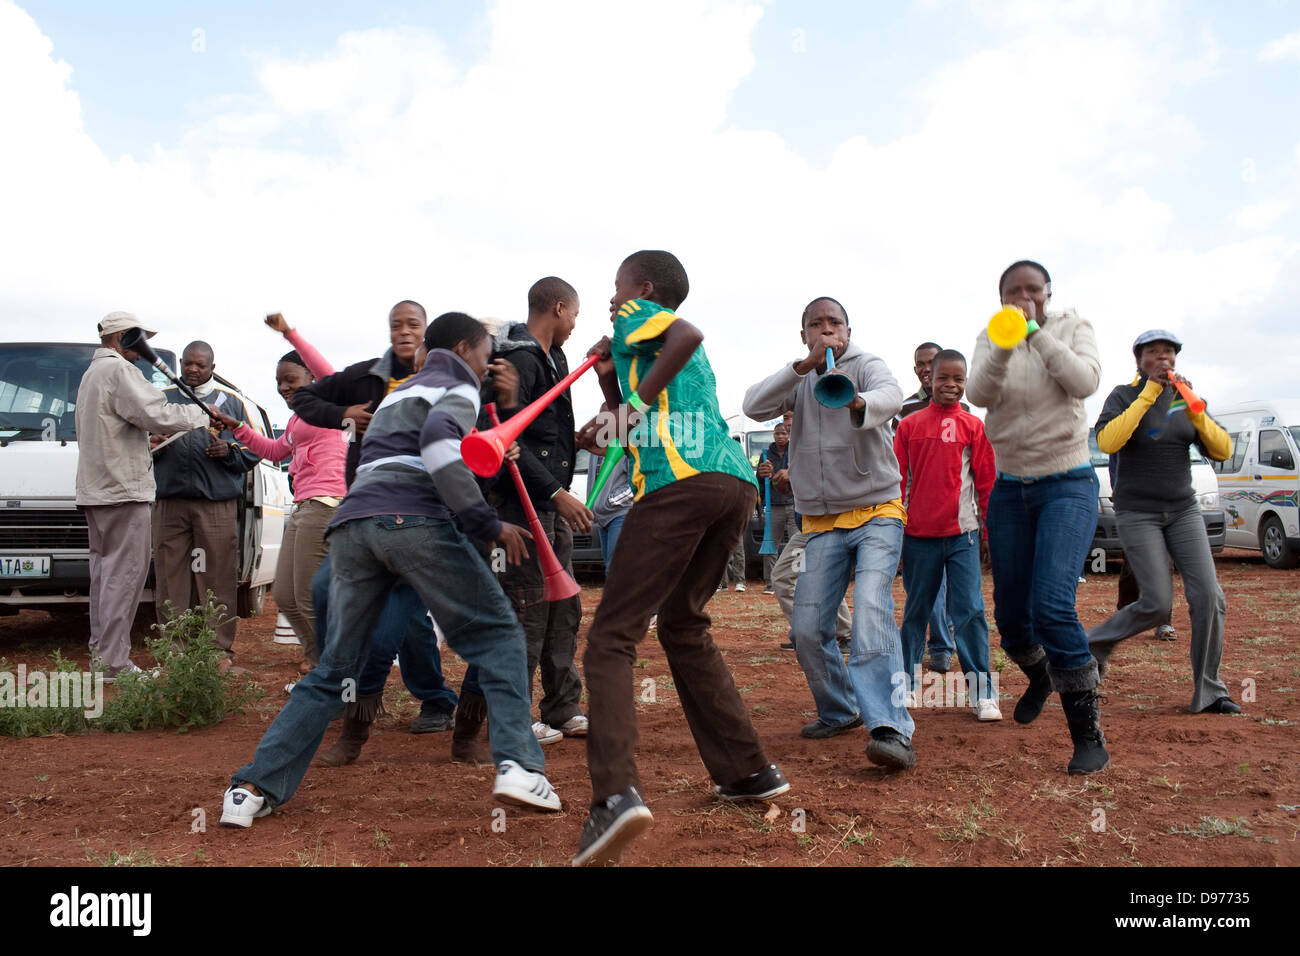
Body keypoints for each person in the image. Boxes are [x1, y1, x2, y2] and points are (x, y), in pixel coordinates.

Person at [220, 312, 562, 828]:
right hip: (413, 520)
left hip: (354, 529)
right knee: (499, 636)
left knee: (334, 671)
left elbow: (388, 461)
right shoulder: (457, 384)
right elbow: (440, 451)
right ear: (466, 349)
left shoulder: (399, 394)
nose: (490, 361)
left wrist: (498, 424)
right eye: (486, 350)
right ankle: (518, 766)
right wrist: (486, 523)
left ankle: (250, 790)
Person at [574, 250, 789, 867]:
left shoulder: (646, 317)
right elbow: (627, 421)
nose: (611, 299)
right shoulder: (646, 353)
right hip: (732, 485)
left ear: (642, 288)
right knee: (683, 626)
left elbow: (683, 338)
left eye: (615, 288)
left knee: (612, 635)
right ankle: (748, 771)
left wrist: (629, 402)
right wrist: (607, 390)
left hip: (680, 484)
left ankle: (613, 796)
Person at [744, 295, 916, 770]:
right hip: (821, 525)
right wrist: (803, 367)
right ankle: (841, 710)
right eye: (815, 325)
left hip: (878, 511)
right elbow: (752, 406)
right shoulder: (798, 375)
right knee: (806, 628)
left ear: (848, 328)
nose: (826, 331)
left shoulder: (868, 364)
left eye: (834, 323)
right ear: (803, 334)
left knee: (871, 612)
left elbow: (892, 395)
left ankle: (891, 728)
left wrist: (857, 397)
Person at [290, 301, 466, 762]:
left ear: (429, 338)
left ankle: (358, 731)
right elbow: (305, 399)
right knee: (341, 600)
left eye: (414, 327)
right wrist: (344, 413)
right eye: (396, 325)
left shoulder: (453, 386)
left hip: (424, 522)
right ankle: (419, 700)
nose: (404, 333)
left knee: (388, 628)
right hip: (368, 517)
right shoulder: (369, 375)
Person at [965, 259, 1108, 774]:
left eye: (1032, 290)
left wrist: (1037, 334)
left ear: (1048, 293)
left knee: (1052, 605)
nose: (1023, 298)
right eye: (1013, 292)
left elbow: (1084, 381)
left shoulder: (1073, 327)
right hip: (1010, 489)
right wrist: (1006, 340)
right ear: (1001, 296)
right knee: (1010, 617)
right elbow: (980, 393)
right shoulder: (990, 336)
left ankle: (1087, 735)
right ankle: (1041, 674)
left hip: (1066, 483)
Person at [1087, 331, 1239, 714]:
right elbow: (1107, 441)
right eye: (1153, 353)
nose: (1162, 358)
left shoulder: (1185, 400)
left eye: (1168, 352)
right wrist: (1148, 395)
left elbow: (1222, 449)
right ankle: (1095, 643)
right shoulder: (1124, 395)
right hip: (1138, 512)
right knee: (1156, 603)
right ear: (1139, 359)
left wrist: (1194, 408)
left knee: (1209, 597)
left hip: (1184, 510)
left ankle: (1210, 690)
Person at [208, 314, 347, 673]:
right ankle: (322, 659)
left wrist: (289, 334)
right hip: (303, 507)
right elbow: (273, 451)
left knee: (307, 597)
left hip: (326, 505)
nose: (284, 387)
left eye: (291, 380)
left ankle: (329, 668)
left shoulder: (330, 405)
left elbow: (327, 371)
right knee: (285, 595)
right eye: (279, 382)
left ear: (312, 379)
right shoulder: (300, 420)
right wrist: (237, 426)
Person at [76, 312, 209, 680]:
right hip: (122, 491)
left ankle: (103, 658)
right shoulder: (118, 371)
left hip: (99, 490)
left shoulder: (92, 374)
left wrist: (140, 442)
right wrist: (201, 416)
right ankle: (114, 664)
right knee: (123, 577)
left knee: (104, 578)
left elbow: (117, 425)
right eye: (137, 339)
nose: (140, 348)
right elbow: (156, 412)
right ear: (120, 337)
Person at [488, 277, 592, 745]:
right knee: (526, 610)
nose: (574, 325)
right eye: (573, 314)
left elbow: (543, 438)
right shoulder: (519, 359)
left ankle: (561, 706)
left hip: (551, 506)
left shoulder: (558, 359)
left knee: (563, 608)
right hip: (521, 508)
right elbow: (508, 437)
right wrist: (556, 493)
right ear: (558, 308)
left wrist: (578, 442)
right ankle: (511, 718)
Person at [894, 349, 999, 720]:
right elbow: (898, 482)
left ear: (965, 382)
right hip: (919, 535)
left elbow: (986, 482)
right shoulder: (908, 425)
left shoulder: (974, 426)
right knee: (916, 610)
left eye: (958, 379)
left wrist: (988, 532)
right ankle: (904, 683)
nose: (950, 385)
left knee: (969, 610)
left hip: (963, 536)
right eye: (943, 378)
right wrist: (898, 530)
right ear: (929, 380)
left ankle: (982, 693)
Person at [150, 341, 261, 659]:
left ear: (213, 367)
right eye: (188, 364)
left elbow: (252, 449)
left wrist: (228, 452)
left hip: (215, 504)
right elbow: (141, 445)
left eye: (200, 365)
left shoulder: (232, 402)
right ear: (181, 363)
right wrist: (155, 445)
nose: (193, 370)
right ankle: (176, 648)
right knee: (171, 577)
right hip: (170, 501)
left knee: (216, 575)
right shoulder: (164, 399)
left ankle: (216, 649)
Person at [896, 341, 961, 672]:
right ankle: (936, 646)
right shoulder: (904, 409)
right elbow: (897, 463)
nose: (925, 368)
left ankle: (941, 644)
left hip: (953, 515)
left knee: (947, 588)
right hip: (915, 515)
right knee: (921, 588)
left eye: (931, 363)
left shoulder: (961, 409)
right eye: (920, 364)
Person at [1110, 453, 1176, 641]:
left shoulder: (1167, 429)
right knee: (1132, 566)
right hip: (1132, 506)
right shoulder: (1123, 432)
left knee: (1165, 565)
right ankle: (1124, 615)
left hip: (1165, 506)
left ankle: (1164, 622)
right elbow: (1115, 467)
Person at [756, 421, 797, 593]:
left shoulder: (795, 450)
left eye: (783, 434)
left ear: (788, 435)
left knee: (797, 545)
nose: (780, 436)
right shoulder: (765, 454)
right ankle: (770, 583)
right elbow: (760, 478)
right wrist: (761, 473)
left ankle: (796, 581)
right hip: (774, 506)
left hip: (794, 504)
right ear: (773, 435)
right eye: (777, 434)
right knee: (770, 544)